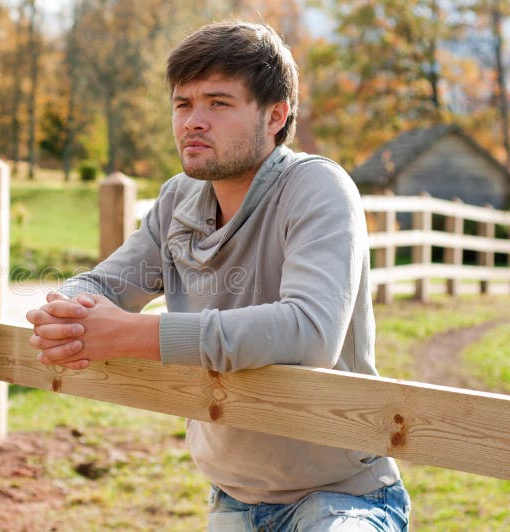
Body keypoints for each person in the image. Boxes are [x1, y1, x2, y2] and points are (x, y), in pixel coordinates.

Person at [26, 21, 411, 531]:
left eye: (218, 103)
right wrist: (67, 309)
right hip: (232, 498)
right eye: (183, 104)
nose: (193, 121)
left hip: (341, 497)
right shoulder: (177, 200)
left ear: (276, 116)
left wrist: (135, 333)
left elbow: (310, 331)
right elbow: (105, 284)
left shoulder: (317, 187)